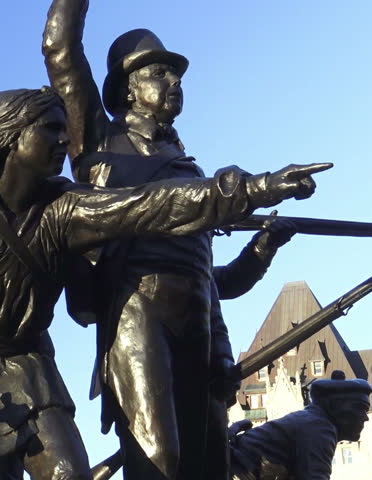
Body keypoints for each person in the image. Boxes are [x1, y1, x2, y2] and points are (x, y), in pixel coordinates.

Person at [0, 86, 328, 480]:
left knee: (69, 474)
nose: (66, 140)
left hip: (23, 366)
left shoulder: (63, 206)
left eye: (65, 129)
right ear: (11, 134)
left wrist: (254, 188)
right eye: (51, 129)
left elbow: (149, 205)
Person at [43, 2, 299, 477]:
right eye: (159, 73)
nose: (174, 81)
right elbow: (60, 48)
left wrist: (262, 250)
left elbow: (211, 281)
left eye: (175, 75)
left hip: (195, 318)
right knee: (157, 457)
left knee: (208, 462)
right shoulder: (99, 140)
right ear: (127, 88)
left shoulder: (189, 170)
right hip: (134, 308)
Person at [230, 371, 372, 480]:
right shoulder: (320, 428)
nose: (365, 418)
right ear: (338, 407)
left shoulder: (313, 420)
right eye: (361, 408)